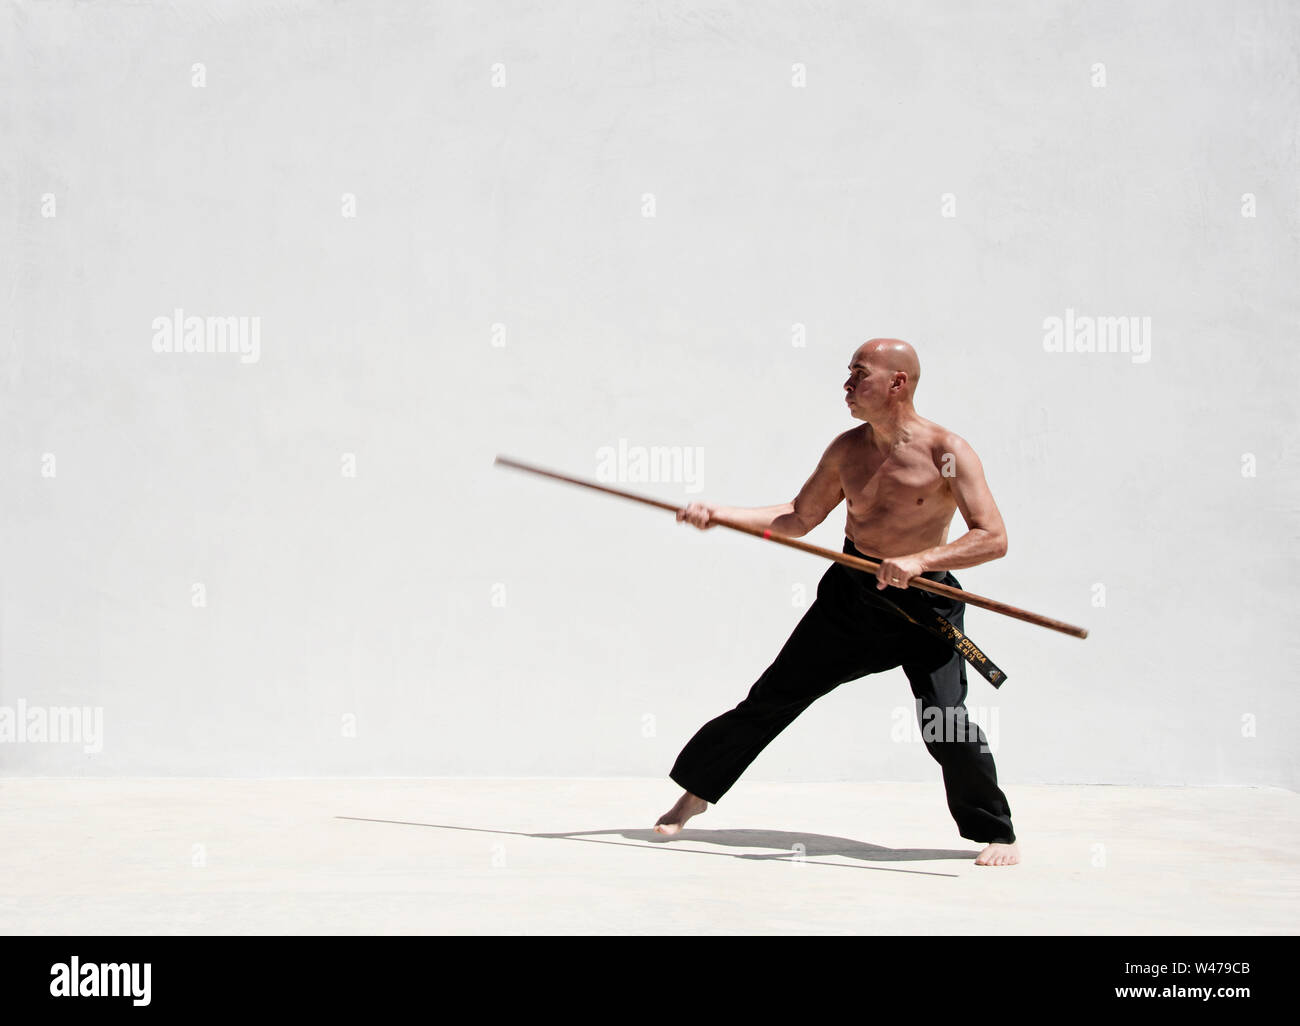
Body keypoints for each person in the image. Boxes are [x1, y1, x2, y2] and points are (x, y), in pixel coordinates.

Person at [654, 338, 1020, 866]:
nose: (846, 384)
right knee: (772, 697)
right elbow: (799, 518)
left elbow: (992, 537)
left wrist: (919, 561)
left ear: (897, 382)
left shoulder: (947, 453)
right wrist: (721, 513)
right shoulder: (847, 449)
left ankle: (996, 832)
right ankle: (696, 793)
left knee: (947, 720)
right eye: (848, 373)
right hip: (852, 597)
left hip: (924, 605)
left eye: (859, 374)